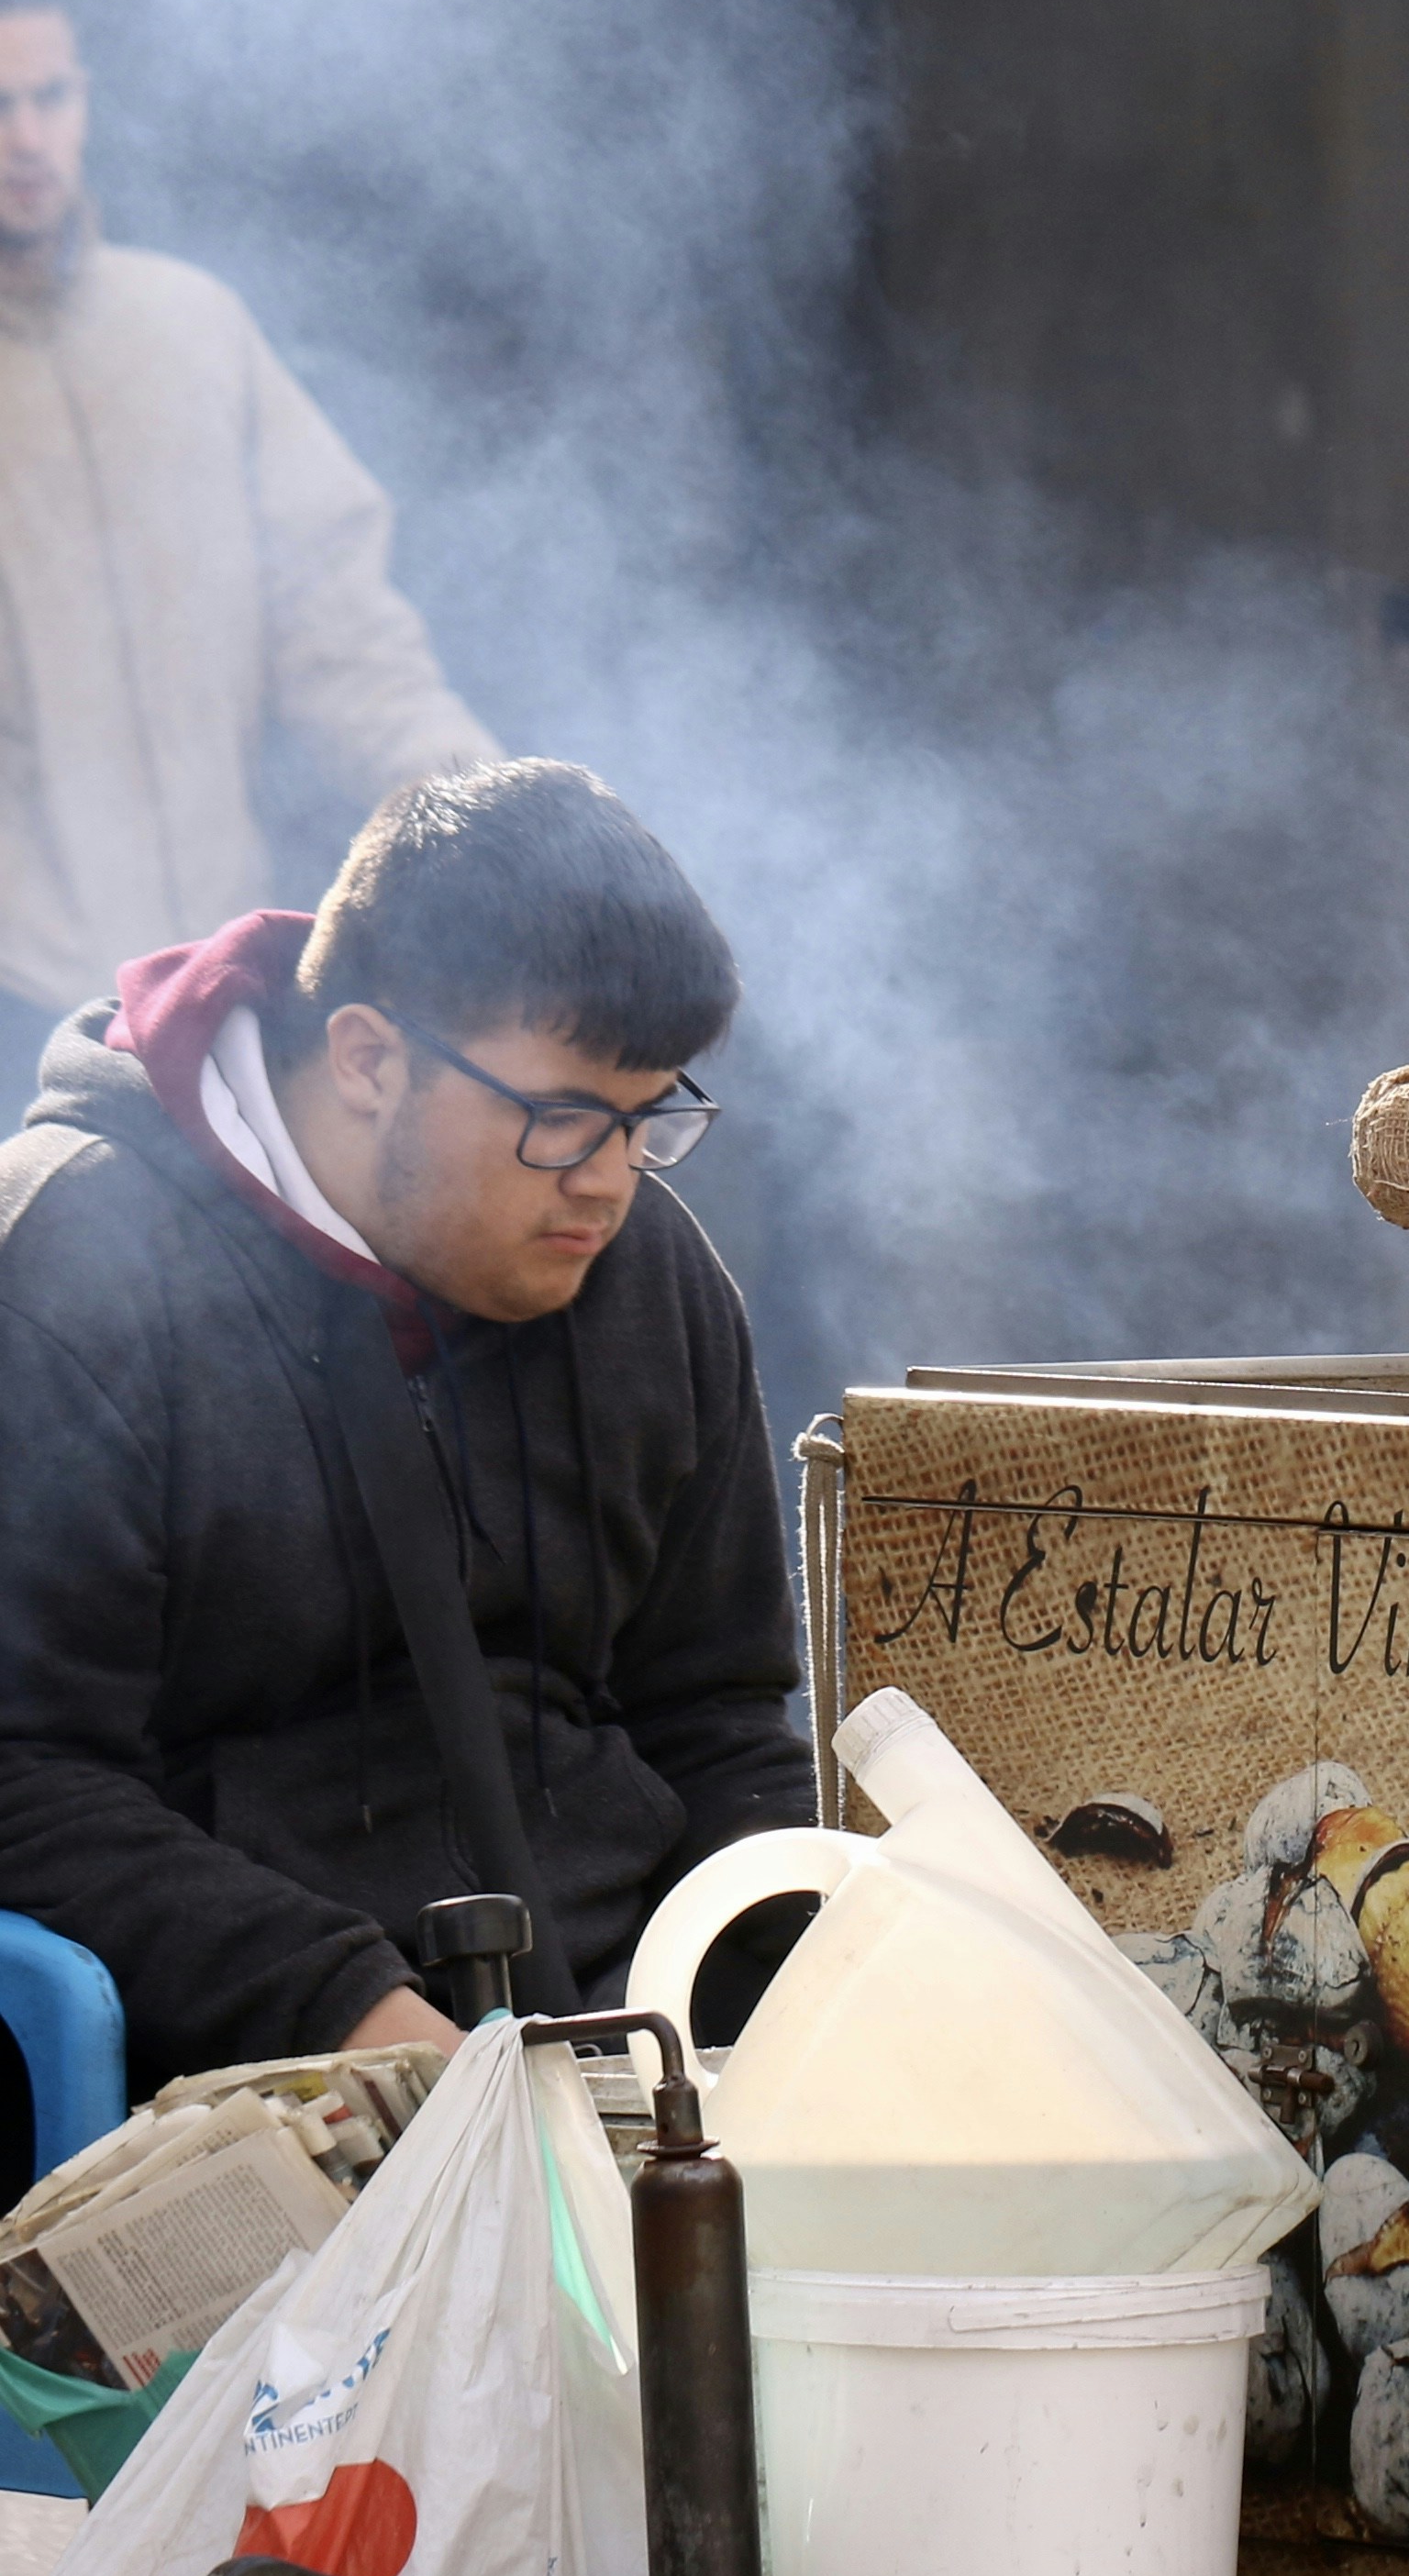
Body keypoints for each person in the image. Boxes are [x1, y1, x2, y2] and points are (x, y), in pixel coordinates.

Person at [0, 760, 806, 2106]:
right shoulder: (71, 1265)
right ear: (370, 1056)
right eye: (558, 1119)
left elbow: (714, 1716)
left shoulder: (644, 1272)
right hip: (239, 2076)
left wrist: (788, 2003)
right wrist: (348, 2009)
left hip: (633, 2053)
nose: (608, 1182)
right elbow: (23, 1775)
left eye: (647, 1116)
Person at [0, 0, 494, 1060]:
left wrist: (479, 812)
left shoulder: (194, 331)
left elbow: (340, 630)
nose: (27, 138)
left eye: (50, 97)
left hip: (215, 993)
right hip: (15, 1003)